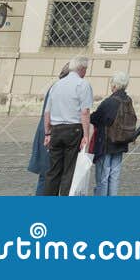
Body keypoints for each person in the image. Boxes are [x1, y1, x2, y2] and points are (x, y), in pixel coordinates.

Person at [42, 57, 95, 194]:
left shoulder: (56, 85)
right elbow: (85, 112)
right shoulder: (83, 85)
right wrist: (86, 135)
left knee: (53, 171)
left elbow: (47, 112)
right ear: (82, 69)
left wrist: (47, 133)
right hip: (74, 130)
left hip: (56, 130)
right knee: (69, 170)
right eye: (86, 69)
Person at [90, 75, 140, 197]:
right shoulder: (128, 100)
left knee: (103, 177)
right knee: (114, 177)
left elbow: (95, 118)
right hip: (121, 143)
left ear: (114, 85)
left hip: (107, 144)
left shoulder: (110, 101)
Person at [28, 66, 68, 194]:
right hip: (50, 133)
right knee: (47, 175)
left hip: (49, 132)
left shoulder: (57, 87)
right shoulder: (60, 88)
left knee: (48, 174)